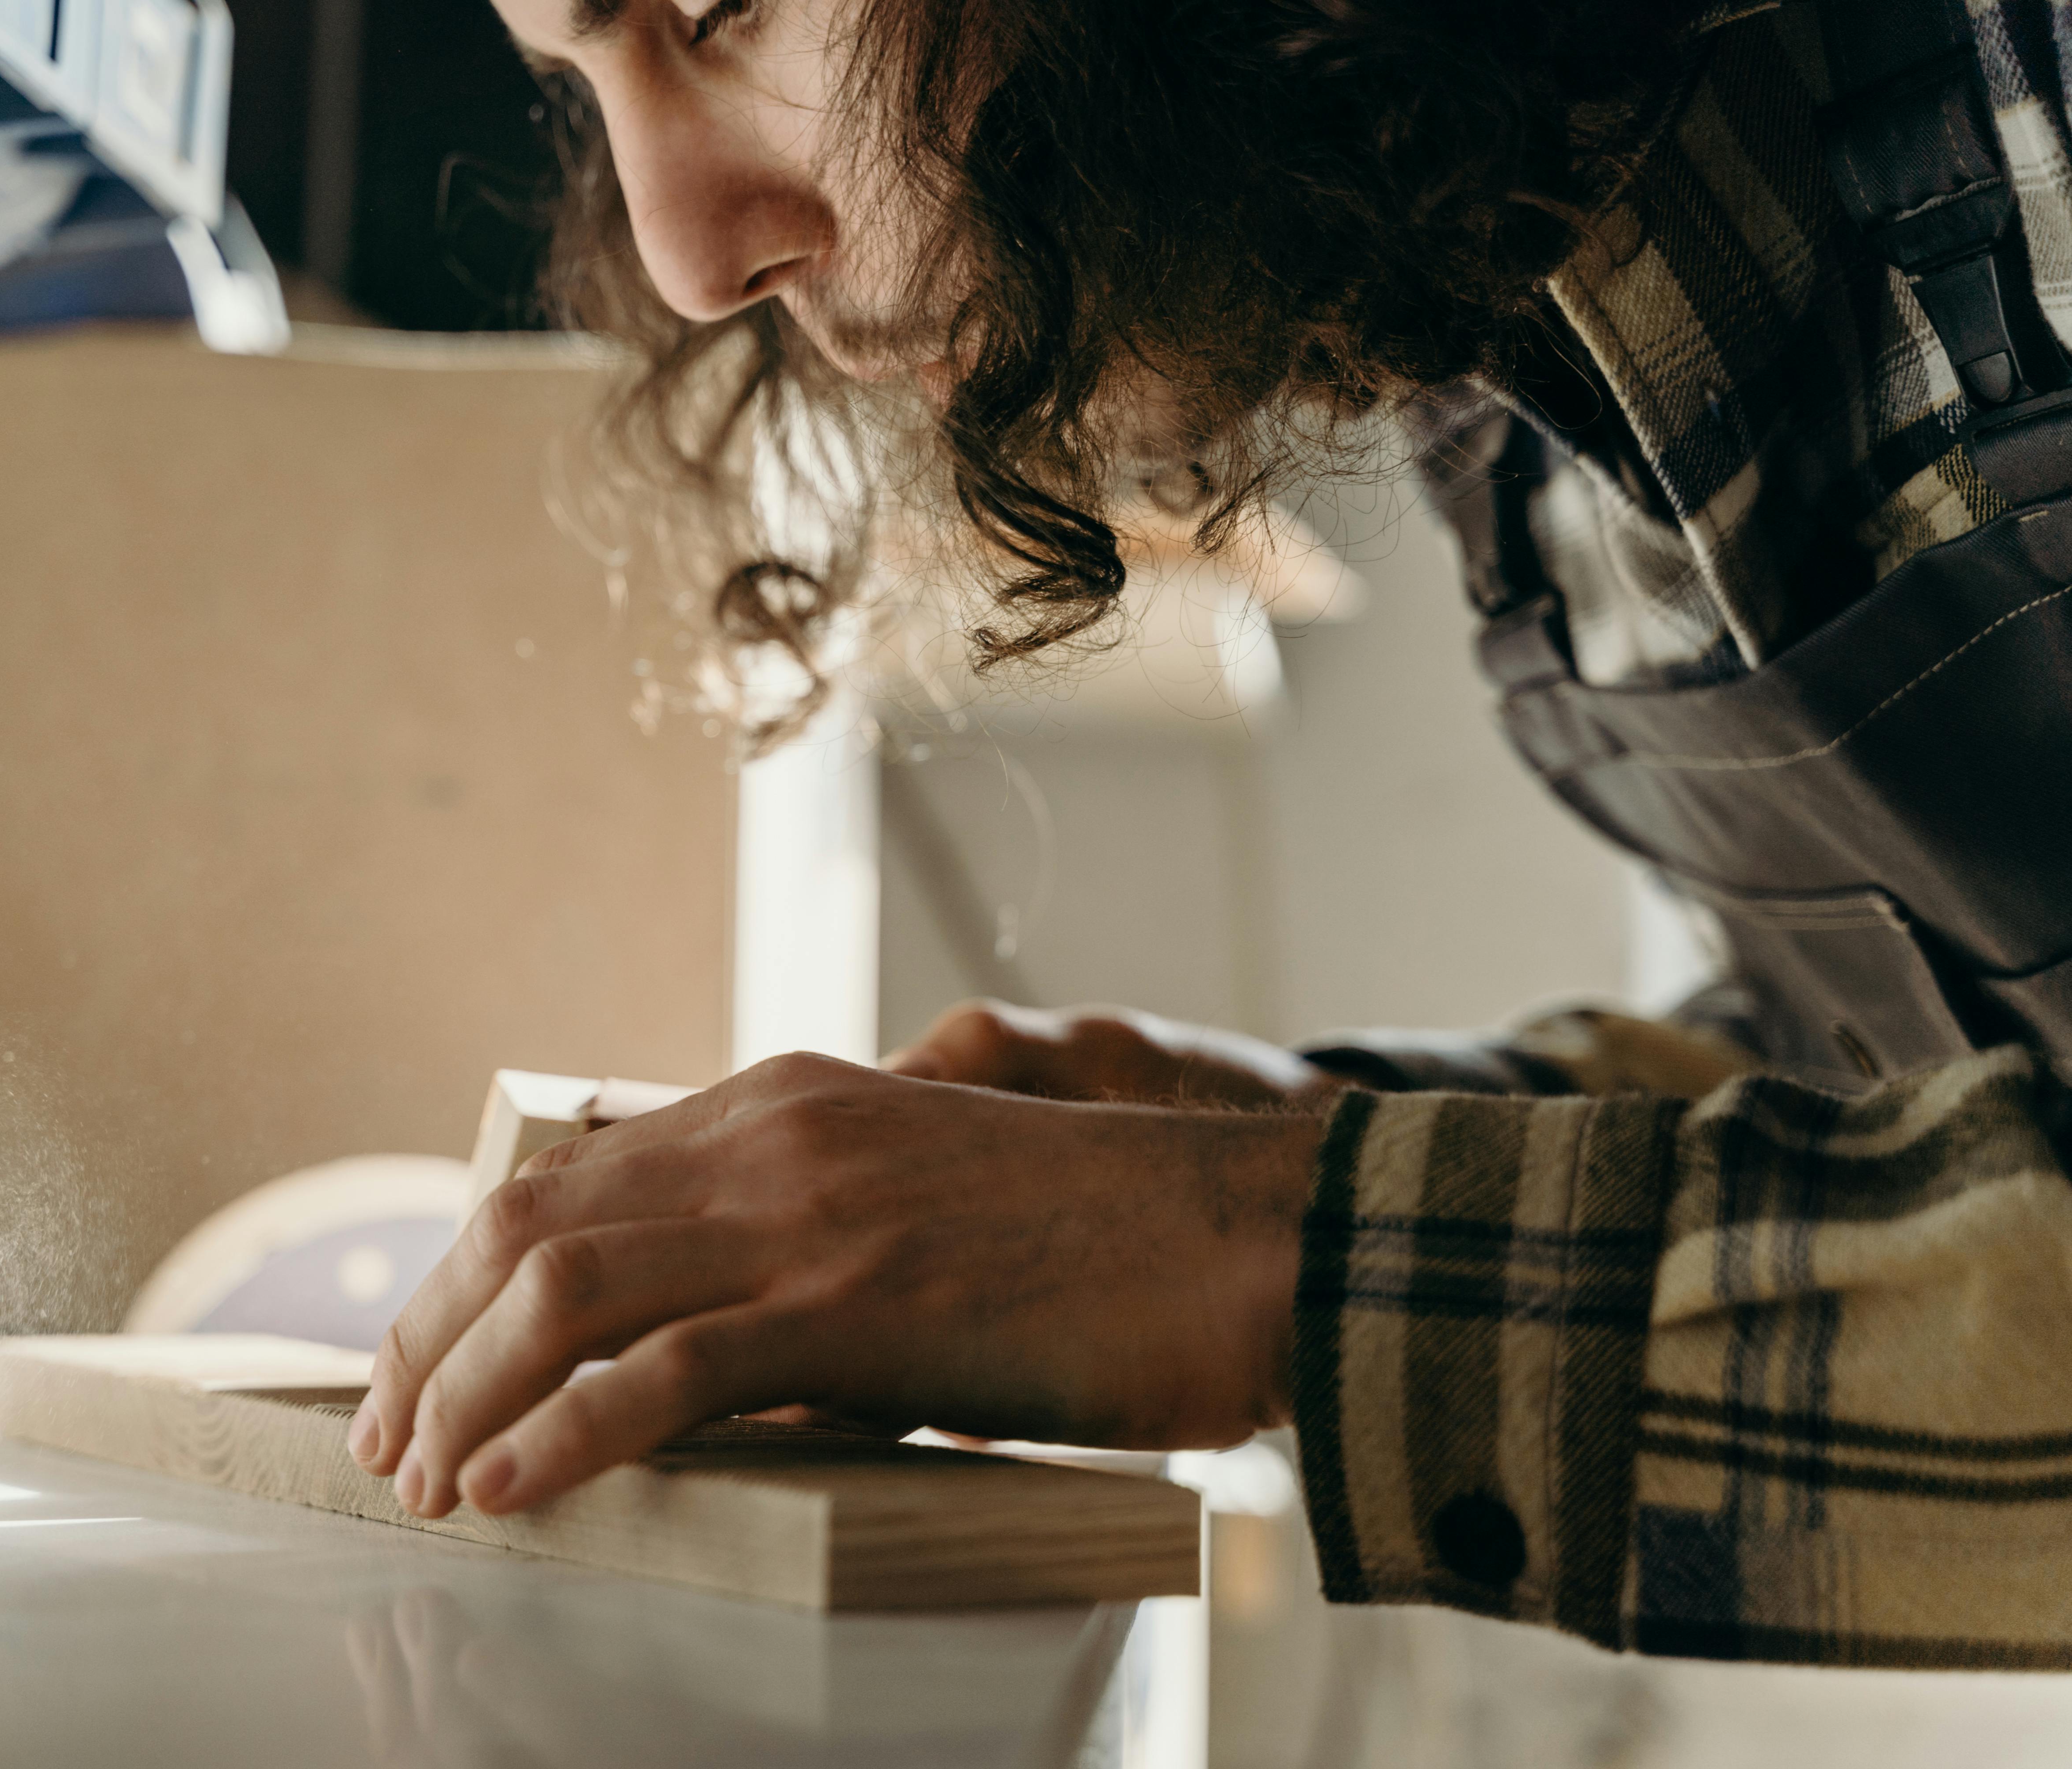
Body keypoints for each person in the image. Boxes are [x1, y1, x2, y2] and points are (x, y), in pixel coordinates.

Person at [348, 0, 2072, 1667]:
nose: (682, 257)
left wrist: (1269, 1248)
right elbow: (1921, 1097)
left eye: (724, 9)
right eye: (580, 75)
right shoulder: (1495, 300)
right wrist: (1268, 1147)